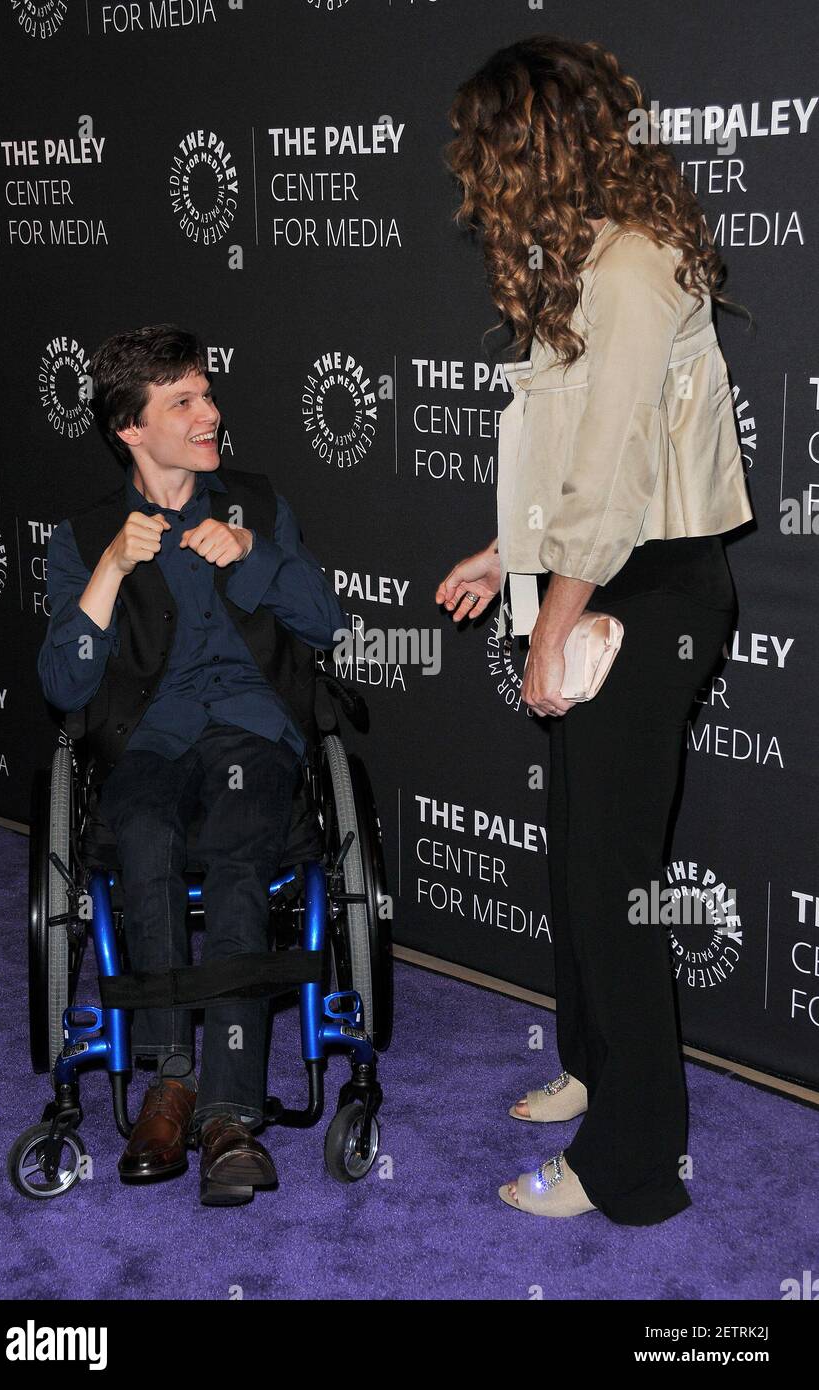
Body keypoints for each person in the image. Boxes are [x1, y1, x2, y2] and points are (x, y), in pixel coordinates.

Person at [436, 37, 754, 1224]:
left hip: (644, 592)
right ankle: (591, 1064)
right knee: (577, 858)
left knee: (612, 885)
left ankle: (630, 1165)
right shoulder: (584, 262)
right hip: (600, 575)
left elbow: (618, 485)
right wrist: (505, 555)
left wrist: (548, 621)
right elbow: (570, 459)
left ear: (534, 147)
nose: (474, 176)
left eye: (487, 150)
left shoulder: (629, 267)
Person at [37, 324, 346, 1206]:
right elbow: (64, 684)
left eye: (206, 394)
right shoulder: (87, 534)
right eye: (185, 402)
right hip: (150, 735)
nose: (211, 412)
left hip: (252, 728)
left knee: (245, 834)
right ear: (131, 429)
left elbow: (325, 623)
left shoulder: (251, 499)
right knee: (139, 826)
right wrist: (108, 569)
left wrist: (255, 552)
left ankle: (227, 1112)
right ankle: (168, 1080)